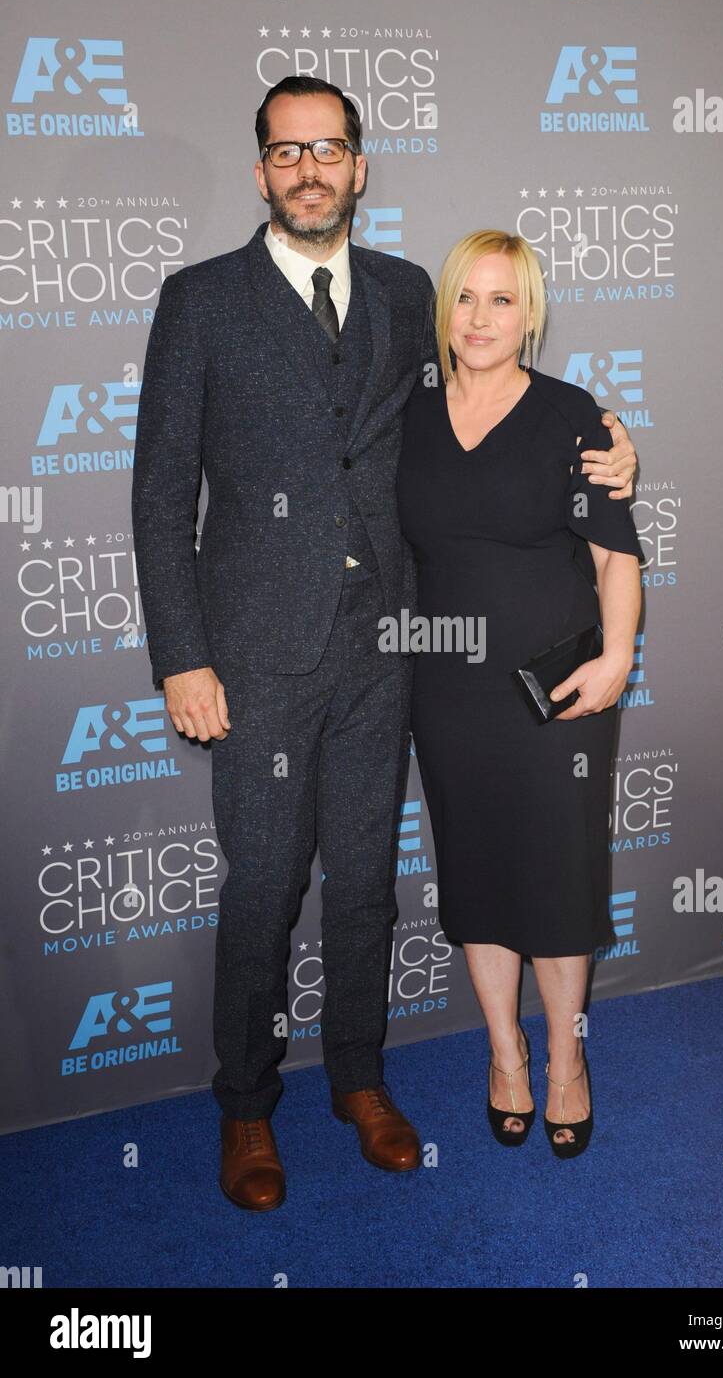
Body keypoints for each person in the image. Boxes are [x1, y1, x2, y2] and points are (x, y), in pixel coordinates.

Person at [131, 77, 639, 1210]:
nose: (309, 168)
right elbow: (162, 491)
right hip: (255, 658)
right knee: (263, 887)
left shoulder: (414, 294)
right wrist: (182, 654)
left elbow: (496, 399)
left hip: (391, 653)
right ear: (263, 168)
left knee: (366, 886)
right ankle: (248, 1107)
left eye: (330, 149)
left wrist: (614, 448)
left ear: (361, 166)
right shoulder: (200, 300)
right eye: (286, 150)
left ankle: (359, 1080)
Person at [396, 230, 643, 1158]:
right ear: (444, 310)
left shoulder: (573, 416)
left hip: (559, 692)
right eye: (466, 298)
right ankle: (504, 1055)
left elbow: (617, 558)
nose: (481, 318)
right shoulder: (408, 411)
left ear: (530, 313)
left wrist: (617, 655)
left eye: (503, 300)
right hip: (444, 686)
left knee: (558, 878)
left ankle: (566, 1062)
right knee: (477, 871)